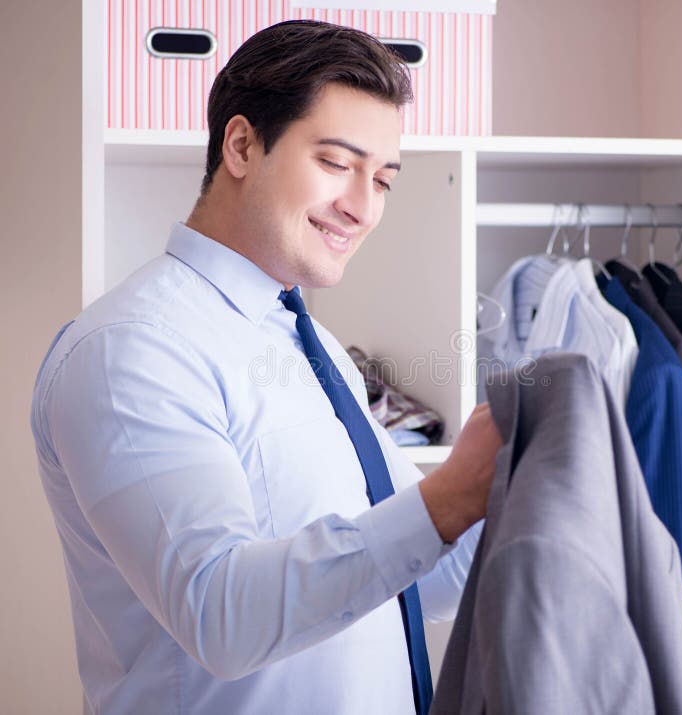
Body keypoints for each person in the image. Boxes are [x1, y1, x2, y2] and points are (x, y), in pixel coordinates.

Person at [30, 19, 502, 715]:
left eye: (383, 180)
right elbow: (218, 613)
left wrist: (516, 481)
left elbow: (416, 580)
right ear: (243, 145)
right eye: (337, 164)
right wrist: (445, 501)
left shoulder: (320, 353)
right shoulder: (131, 350)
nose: (362, 207)